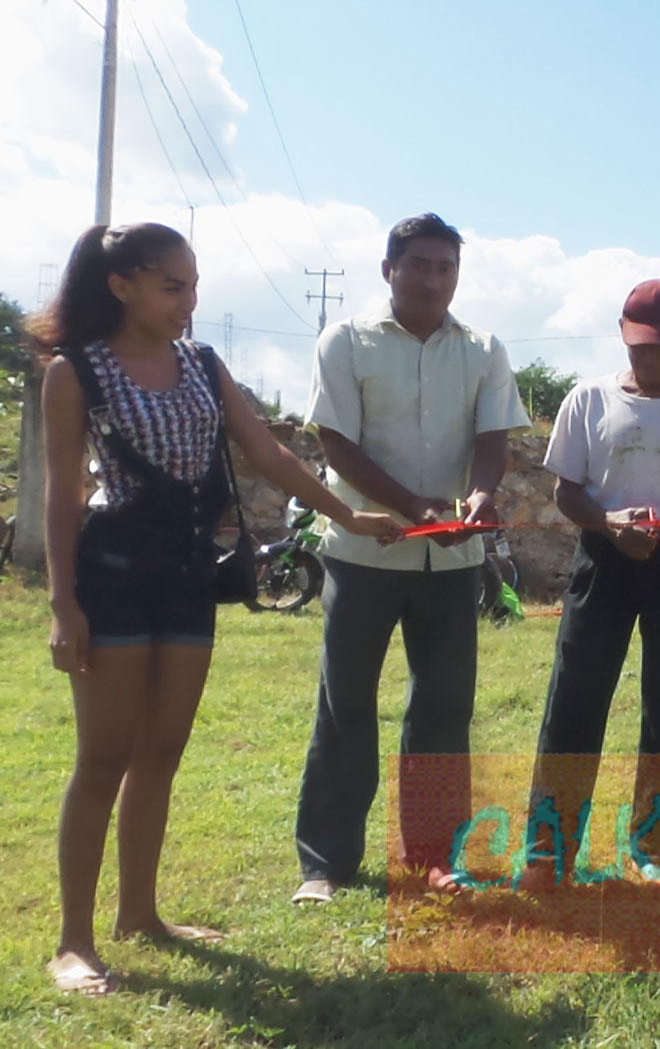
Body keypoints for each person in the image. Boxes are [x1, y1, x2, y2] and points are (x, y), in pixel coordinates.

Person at [34, 222, 402, 996]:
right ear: (120, 284)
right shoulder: (76, 373)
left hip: (189, 578)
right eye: (173, 286)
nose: (189, 301)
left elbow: (268, 454)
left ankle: (140, 914)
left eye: (194, 285)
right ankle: (73, 940)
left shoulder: (202, 362)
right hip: (112, 576)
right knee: (102, 758)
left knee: (161, 754)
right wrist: (63, 602)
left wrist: (348, 513)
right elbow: (62, 494)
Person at [293, 213, 529, 903]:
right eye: (420, 264)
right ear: (388, 268)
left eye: (446, 267)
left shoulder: (483, 348)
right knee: (345, 704)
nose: (433, 279)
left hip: (452, 563)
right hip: (364, 552)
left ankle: (435, 854)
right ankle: (325, 862)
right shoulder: (347, 340)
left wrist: (479, 497)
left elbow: (494, 441)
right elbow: (337, 445)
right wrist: (416, 505)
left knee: (443, 709)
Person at [520, 280, 660, 887]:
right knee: (574, 701)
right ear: (622, 332)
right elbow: (566, 491)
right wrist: (611, 525)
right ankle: (547, 850)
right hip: (604, 560)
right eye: (641, 345)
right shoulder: (586, 400)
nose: (652, 357)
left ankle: (656, 852)